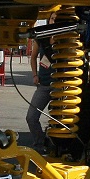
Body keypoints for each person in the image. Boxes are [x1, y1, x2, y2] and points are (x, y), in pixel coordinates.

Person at [26, 18, 57, 154]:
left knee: (58, 119)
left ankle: (56, 146)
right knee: (31, 117)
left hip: (61, 85)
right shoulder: (42, 36)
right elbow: (33, 57)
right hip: (44, 83)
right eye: (52, 17)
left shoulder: (68, 38)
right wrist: (34, 75)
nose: (54, 20)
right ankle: (39, 144)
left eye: (57, 18)